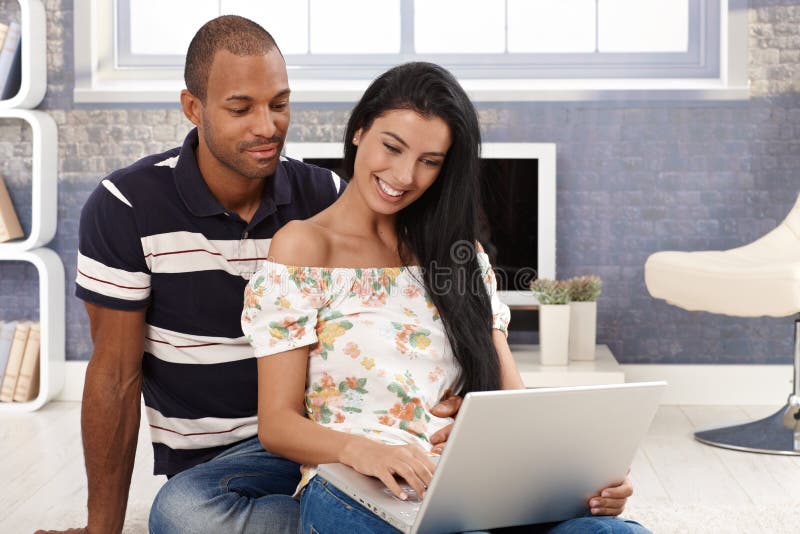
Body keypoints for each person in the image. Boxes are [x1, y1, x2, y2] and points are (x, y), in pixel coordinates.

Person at [35, 15, 459, 534]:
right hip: (221, 465)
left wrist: (456, 393)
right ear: (193, 108)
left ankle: (377, 517)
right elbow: (114, 377)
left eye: (280, 104)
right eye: (241, 108)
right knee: (184, 513)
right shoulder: (126, 206)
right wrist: (102, 529)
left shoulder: (325, 194)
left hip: (324, 434)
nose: (267, 126)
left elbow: (399, 312)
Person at [242, 62, 647, 533]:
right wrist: (364, 450)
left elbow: (514, 406)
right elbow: (277, 424)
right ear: (358, 131)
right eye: (392, 147)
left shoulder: (460, 258)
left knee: (614, 532)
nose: (404, 175)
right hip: (357, 490)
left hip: (470, 489)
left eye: (429, 161)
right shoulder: (305, 247)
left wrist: (591, 481)